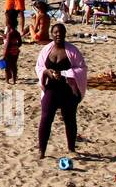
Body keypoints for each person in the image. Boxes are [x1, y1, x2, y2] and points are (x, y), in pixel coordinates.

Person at [35, 23, 88, 158]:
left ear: (65, 34)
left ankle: (71, 148)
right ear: (52, 34)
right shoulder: (46, 50)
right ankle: (42, 150)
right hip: (51, 89)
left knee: (70, 119)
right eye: (55, 32)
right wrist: (47, 72)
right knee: (46, 118)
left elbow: (82, 69)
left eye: (61, 32)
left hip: (68, 91)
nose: (58, 35)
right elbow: (39, 67)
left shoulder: (72, 51)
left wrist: (65, 74)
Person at [0, 9, 22, 84]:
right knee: (14, 65)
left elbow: (7, 45)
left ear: (8, 23)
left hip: (9, 52)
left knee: (7, 67)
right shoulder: (16, 32)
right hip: (15, 51)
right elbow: (20, 42)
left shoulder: (10, 33)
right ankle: (14, 80)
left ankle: (7, 81)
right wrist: (15, 46)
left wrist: (4, 55)